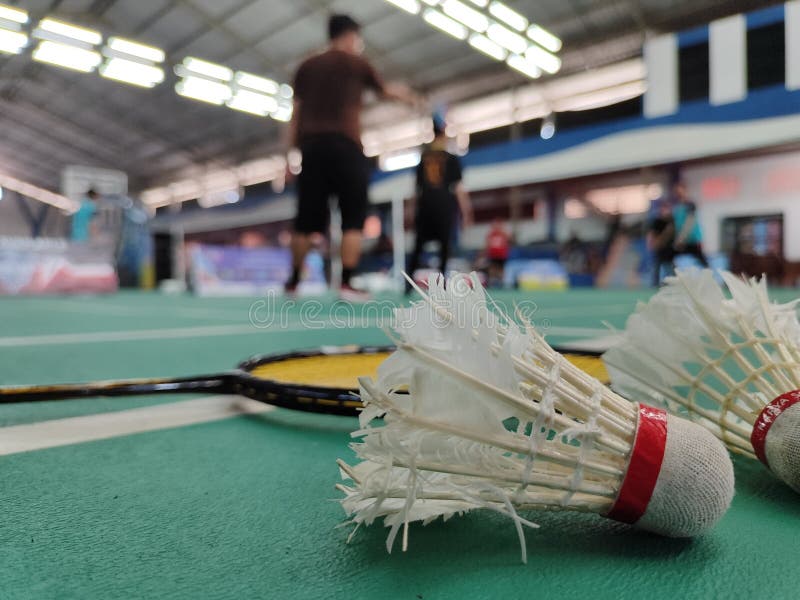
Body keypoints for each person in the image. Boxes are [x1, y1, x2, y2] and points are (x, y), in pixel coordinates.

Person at [285, 14, 417, 300]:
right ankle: (346, 283)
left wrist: (288, 158)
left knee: (305, 221)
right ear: (350, 36)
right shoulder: (357, 63)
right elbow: (385, 92)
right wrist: (409, 97)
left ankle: (293, 283)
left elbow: (295, 115)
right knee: (353, 217)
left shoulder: (306, 67)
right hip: (346, 147)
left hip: (312, 149)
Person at [406, 114, 472, 292]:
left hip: (425, 205)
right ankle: (440, 285)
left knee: (418, 247)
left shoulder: (424, 158)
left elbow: (416, 189)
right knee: (444, 247)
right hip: (443, 206)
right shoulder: (451, 158)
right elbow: (458, 188)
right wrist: (466, 212)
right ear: (443, 134)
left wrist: (410, 211)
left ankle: (408, 285)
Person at [671, 180, 709, 267]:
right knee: (673, 261)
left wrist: (681, 239)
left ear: (685, 190)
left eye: (680, 191)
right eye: (676, 191)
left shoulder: (690, 204)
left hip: (693, 239)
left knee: (703, 262)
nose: (678, 193)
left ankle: (710, 274)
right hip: (682, 240)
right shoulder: (677, 207)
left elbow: (689, 223)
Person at [648, 200, 675, 286]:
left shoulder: (672, 221)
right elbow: (652, 233)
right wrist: (651, 243)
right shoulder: (657, 221)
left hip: (669, 248)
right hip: (659, 247)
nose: (665, 211)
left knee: (670, 266)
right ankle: (655, 284)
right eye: (663, 209)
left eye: (666, 209)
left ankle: (672, 283)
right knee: (657, 266)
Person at [485, 218, 510, 287]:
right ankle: (492, 282)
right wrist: (486, 253)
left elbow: (507, 243)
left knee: (501, 270)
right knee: (492, 269)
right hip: (493, 255)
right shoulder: (491, 234)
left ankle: (502, 282)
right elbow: (488, 245)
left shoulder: (503, 234)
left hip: (501, 255)